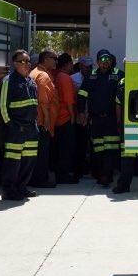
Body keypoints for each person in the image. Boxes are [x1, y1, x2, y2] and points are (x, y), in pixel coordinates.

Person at [0, 49, 39, 201]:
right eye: (23, 61)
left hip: (31, 129)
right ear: (15, 64)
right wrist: (11, 126)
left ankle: (21, 188)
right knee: (13, 162)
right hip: (17, 130)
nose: (27, 64)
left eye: (28, 61)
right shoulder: (9, 81)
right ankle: (9, 191)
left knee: (28, 161)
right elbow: (2, 106)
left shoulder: (30, 81)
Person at [78, 49, 122, 187]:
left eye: (108, 59)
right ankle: (100, 174)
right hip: (95, 120)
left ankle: (107, 176)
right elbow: (82, 95)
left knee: (111, 149)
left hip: (111, 120)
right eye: (102, 59)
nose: (106, 62)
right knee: (97, 149)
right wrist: (81, 112)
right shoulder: (90, 76)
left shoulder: (119, 75)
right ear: (97, 62)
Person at [113, 74, 138, 194]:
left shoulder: (123, 82)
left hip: (128, 123)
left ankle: (124, 185)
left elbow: (118, 104)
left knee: (127, 158)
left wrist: (119, 124)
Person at [30, 50, 58, 187]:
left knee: (36, 154)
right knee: (42, 154)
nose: (56, 61)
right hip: (42, 123)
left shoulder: (34, 72)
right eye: (54, 58)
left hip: (36, 121)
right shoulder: (43, 76)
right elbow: (43, 101)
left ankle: (36, 178)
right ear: (46, 60)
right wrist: (47, 120)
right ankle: (40, 180)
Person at [53, 52, 79, 184]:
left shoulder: (57, 77)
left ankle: (60, 173)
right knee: (66, 150)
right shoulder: (66, 78)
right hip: (65, 118)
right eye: (71, 63)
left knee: (60, 149)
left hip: (58, 118)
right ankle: (63, 176)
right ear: (68, 64)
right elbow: (69, 101)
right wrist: (73, 118)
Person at [72, 56, 94, 178]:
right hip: (79, 116)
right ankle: (79, 170)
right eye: (87, 66)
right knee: (80, 145)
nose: (89, 69)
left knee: (92, 145)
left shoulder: (94, 78)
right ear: (80, 66)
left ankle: (90, 168)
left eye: (91, 66)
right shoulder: (73, 79)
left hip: (91, 115)